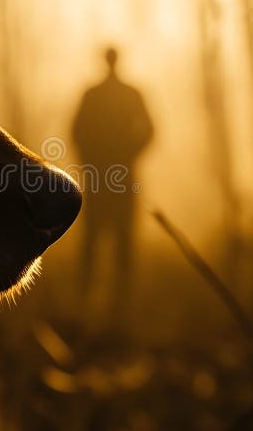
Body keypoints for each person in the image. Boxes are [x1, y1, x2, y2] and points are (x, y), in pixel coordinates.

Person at [73, 46, 153, 314]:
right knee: (116, 239)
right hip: (118, 176)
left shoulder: (93, 95)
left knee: (97, 239)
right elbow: (150, 131)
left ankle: (92, 301)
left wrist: (90, 160)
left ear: (106, 61)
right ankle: (116, 303)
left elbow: (75, 132)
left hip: (103, 176)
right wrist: (130, 155)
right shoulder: (129, 94)